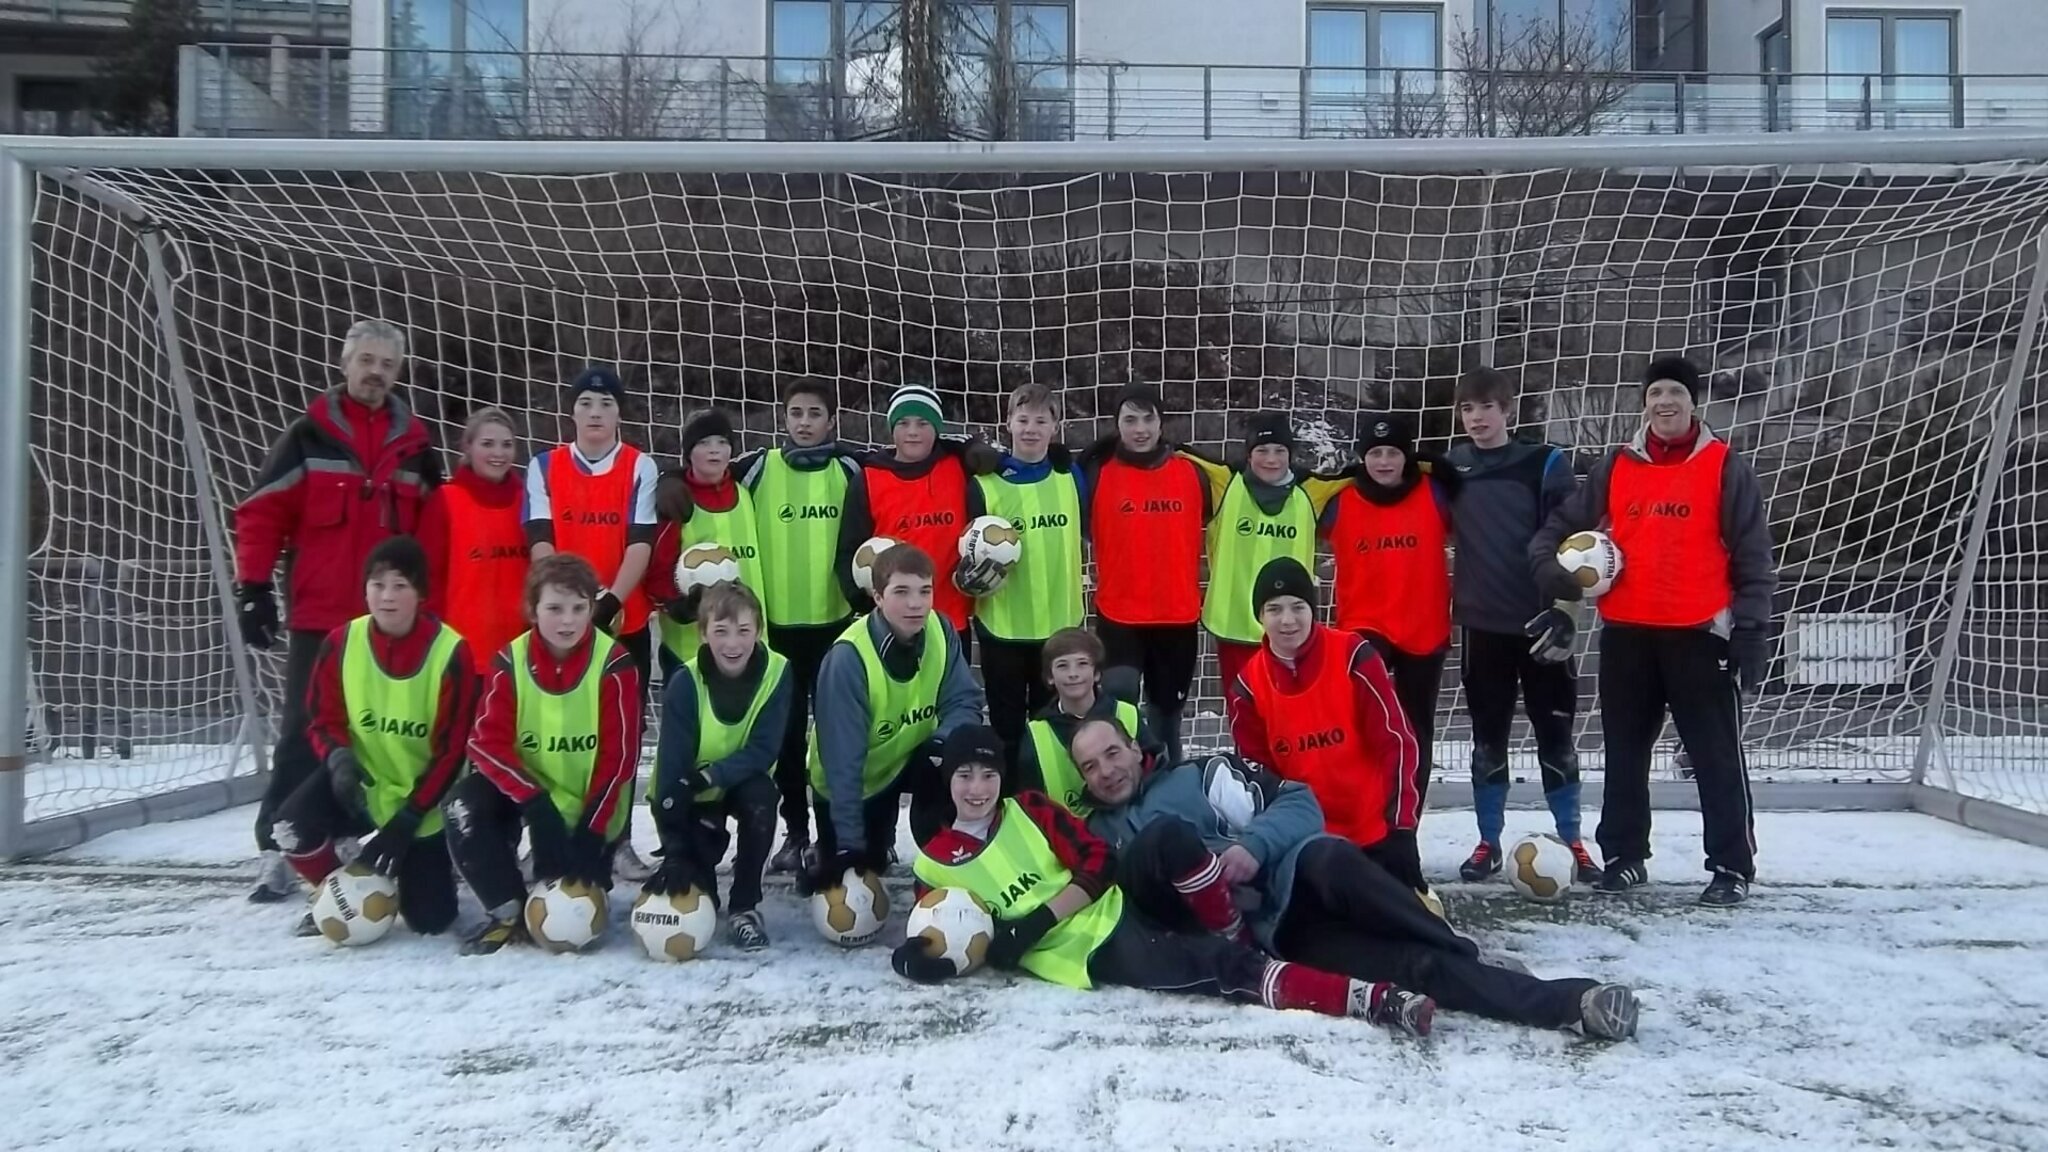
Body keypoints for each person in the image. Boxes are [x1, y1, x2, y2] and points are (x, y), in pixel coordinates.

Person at [1069, 717, 1639, 1039]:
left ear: (1136, 750)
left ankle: (1465, 951)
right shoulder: (1100, 838)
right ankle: (1575, 1004)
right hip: (1281, 935)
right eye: (1090, 767)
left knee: (1332, 860)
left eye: (1112, 753)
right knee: (1416, 968)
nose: (1106, 771)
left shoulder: (1201, 775)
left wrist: (1251, 847)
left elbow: (1301, 804)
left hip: (1300, 874)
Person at [889, 726, 1435, 1037]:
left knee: (1183, 860)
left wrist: (1036, 920)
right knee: (1224, 970)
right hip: (1092, 952)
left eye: (988, 774)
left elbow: (1097, 861)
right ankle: (1375, 1001)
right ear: (948, 781)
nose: (978, 788)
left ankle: (1239, 931)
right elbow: (949, 933)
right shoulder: (932, 865)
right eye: (965, 776)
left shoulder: (1029, 807)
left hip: (1119, 903)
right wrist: (915, 961)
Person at [1531, 356, 1777, 907]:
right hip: (1627, 635)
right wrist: (1548, 566)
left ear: (1693, 402)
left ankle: (1731, 866)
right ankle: (1624, 857)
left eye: (1675, 393)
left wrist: (1752, 627)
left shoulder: (1725, 466)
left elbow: (1753, 554)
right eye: (1656, 394)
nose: (1665, 402)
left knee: (1715, 757)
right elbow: (1561, 525)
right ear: (1644, 403)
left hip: (1700, 634)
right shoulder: (1615, 466)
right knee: (1624, 755)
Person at [234, 318, 441, 903]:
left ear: (398, 374)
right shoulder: (306, 437)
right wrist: (253, 587)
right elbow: (261, 512)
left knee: (374, 732)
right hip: (321, 617)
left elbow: (431, 536)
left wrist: (429, 610)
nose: (376, 373)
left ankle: (345, 834)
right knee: (304, 732)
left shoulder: (416, 448)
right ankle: (277, 845)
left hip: (389, 623)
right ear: (345, 363)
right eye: (366, 360)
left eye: (387, 365)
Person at [272, 536, 473, 939]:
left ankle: (433, 864)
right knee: (290, 827)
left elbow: (453, 752)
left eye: (400, 585)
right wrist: (338, 759)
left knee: (431, 922)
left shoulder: (451, 652)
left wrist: (408, 820)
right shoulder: (341, 642)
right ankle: (338, 894)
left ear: (421, 593)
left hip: (423, 801)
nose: (387, 596)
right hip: (363, 785)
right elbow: (323, 719)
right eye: (377, 584)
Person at [1444, 366, 1595, 886]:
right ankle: (1487, 841)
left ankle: (1573, 841)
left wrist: (1568, 611)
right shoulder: (1451, 467)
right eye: (1467, 408)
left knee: (1557, 738)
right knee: (1488, 741)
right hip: (1481, 626)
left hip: (1542, 625)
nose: (1477, 417)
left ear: (1507, 410)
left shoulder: (1545, 462)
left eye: (1487, 407)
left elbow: (1573, 543)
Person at [449, 554, 644, 954]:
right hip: (530, 799)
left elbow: (620, 758)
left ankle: (588, 868)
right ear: (532, 610)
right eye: (554, 608)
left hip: (591, 810)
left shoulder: (615, 663)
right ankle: (508, 911)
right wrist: (535, 805)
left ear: (592, 609)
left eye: (578, 608)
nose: (567, 621)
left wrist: (592, 831)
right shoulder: (510, 660)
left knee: (577, 909)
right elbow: (485, 743)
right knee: (463, 804)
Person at [1228, 557, 1425, 892]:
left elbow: (1397, 741)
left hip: (1373, 833)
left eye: (1298, 607)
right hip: (1308, 842)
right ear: (1260, 616)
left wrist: (1401, 829)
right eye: (1274, 609)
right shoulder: (1247, 688)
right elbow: (1259, 783)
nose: (1287, 620)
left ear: (1313, 610)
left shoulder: (1353, 656)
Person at [731, 379, 863, 875]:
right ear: (783, 418)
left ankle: (839, 834)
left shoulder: (850, 468)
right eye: (796, 413)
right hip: (777, 632)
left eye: (814, 413)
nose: (804, 422)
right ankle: (796, 833)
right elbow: (705, 473)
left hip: (836, 629)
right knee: (786, 740)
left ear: (832, 420)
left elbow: (905, 464)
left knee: (835, 739)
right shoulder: (758, 468)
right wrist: (675, 481)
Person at [802, 544, 987, 893]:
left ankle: (952, 862)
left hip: (907, 757)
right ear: (877, 597)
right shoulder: (848, 659)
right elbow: (843, 766)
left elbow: (964, 702)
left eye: (924, 591)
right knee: (860, 869)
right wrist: (848, 846)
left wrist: (941, 744)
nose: (916, 604)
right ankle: (826, 848)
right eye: (901, 592)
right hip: (855, 782)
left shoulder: (941, 629)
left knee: (965, 751)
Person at [644, 582, 791, 951]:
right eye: (721, 631)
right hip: (686, 794)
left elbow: (763, 749)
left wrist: (711, 775)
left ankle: (745, 906)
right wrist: (676, 849)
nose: (733, 643)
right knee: (699, 897)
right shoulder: (684, 682)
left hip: (737, 782)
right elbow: (671, 775)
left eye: (744, 630)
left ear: (759, 631)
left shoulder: (778, 672)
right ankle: (703, 885)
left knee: (763, 799)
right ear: (703, 633)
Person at [1181, 411, 1345, 728]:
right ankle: (1246, 762)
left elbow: (1366, 474)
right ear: (1248, 454)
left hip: (1289, 628)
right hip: (1234, 624)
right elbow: (1176, 451)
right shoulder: (1226, 483)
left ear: (1290, 454)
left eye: (1280, 451)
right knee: (1244, 714)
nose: (1271, 459)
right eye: (1262, 450)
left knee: (1290, 715)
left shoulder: (1312, 491)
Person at [1320, 414, 1452, 805]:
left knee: (1415, 731)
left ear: (1407, 456)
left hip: (1423, 627)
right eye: (1375, 453)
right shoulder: (1339, 501)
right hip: (1364, 628)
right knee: (1362, 726)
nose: (1383, 462)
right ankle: (1363, 813)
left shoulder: (1435, 493)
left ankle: (1407, 822)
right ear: (1362, 458)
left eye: (1392, 453)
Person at [1079, 385, 1210, 761]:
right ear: (1116, 423)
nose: (1140, 429)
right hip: (1120, 616)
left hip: (1177, 615)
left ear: (1161, 423)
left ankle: (1169, 780)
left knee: (1166, 718)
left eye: (1148, 419)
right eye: (1130, 419)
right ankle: (1117, 780)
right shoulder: (1095, 473)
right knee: (1118, 711)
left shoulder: (1194, 473)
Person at [963, 384, 1086, 769]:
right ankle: (1011, 797)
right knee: (1008, 731)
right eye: (1023, 419)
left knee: (1056, 729)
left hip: (1060, 628)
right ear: (1009, 423)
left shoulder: (1071, 476)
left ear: (1055, 427)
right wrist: (967, 577)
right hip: (1003, 630)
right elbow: (966, 552)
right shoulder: (984, 483)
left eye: (1041, 421)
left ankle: (1053, 798)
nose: (1031, 428)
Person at [522, 366, 660, 686]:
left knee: (625, 712)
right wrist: (574, 604)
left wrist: (609, 603)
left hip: (624, 618)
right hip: (563, 619)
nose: (595, 412)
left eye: (606, 403)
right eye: (585, 403)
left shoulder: (640, 466)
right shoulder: (543, 466)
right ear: (572, 411)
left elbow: (640, 544)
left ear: (619, 414)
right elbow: (541, 543)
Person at [838, 382, 975, 639]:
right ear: (892, 428)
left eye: (923, 423)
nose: (913, 432)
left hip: (950, 621)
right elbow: (847, 550)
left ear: (937, 428)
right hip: (891, 624)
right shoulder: (868, 479)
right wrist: (863, 602)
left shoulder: (960, 467)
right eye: (903, 423)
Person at [645, 408, 764, 676]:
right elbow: (657, 572)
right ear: (688, 452)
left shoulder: (745, 492)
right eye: (703, 443)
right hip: (690, 651)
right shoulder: (676, 502)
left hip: (747, 643)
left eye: (722, 442)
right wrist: (680, 607)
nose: (714, 450)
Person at [418, 406, 528, 673]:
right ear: (467, 447)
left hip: (521, 653)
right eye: (487, 444)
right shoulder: (446, 500)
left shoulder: (529, 501)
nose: (498, 453)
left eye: (507, 445)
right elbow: (427, 578)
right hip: (461, 653)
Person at [1016, 626, 1161, 815]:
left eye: (1082, 664)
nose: (1073, 673)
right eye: (1062, 666)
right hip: (1069, 831)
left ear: (1097, 673)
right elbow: (1031, 804)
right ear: (1050, 677)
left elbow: (1156, 775)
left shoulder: (1129, 714)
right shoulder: (1035, 734)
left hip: (1135, 823)